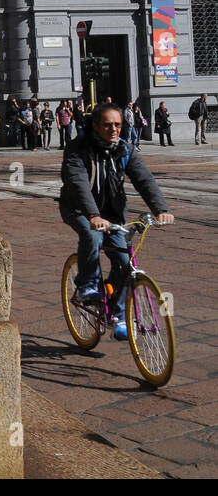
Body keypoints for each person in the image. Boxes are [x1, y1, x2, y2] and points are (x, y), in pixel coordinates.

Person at [60, 103, 174, 340]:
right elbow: (78, 182)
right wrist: (93, 214)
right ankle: (87, 283)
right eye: (107, 124)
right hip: (80, 209)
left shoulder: (125, 150)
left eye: (118, 125)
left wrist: (161, 209)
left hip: (112, 214)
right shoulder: (77, 149)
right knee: (92, 235)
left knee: (125, 262)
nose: (114, 129)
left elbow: (144, 179)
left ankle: (119, 314)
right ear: (95, 126)